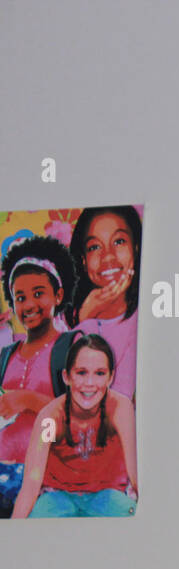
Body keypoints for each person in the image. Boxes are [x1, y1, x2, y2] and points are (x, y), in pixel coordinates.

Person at [11, 333, 137, 519]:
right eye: (81, 372)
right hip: (57, 496)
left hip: (106, 496)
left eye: (100, 373)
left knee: (130, 513)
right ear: (66, 376)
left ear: (110, 378)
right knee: (35, 522)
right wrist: (13, 537)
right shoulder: (50, 418)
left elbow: (135, 473)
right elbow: (31, 483)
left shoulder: (120, 407)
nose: (89, 383)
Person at [0, 236, 77, 517]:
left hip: (47, 482)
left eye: (38, 293)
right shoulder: (6, 354)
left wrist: (28, 400)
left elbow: (81, 419)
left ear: (58, 295)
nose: (29, 304)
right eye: (20, 297)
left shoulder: (69, 347)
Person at [68, 205, 142, 401]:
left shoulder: (146, 318)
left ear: (135, 248)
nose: (108, 256)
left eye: (119, 241)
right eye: (94, 247)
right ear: (83, 260)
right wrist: (86, 318)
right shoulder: (65, 323)